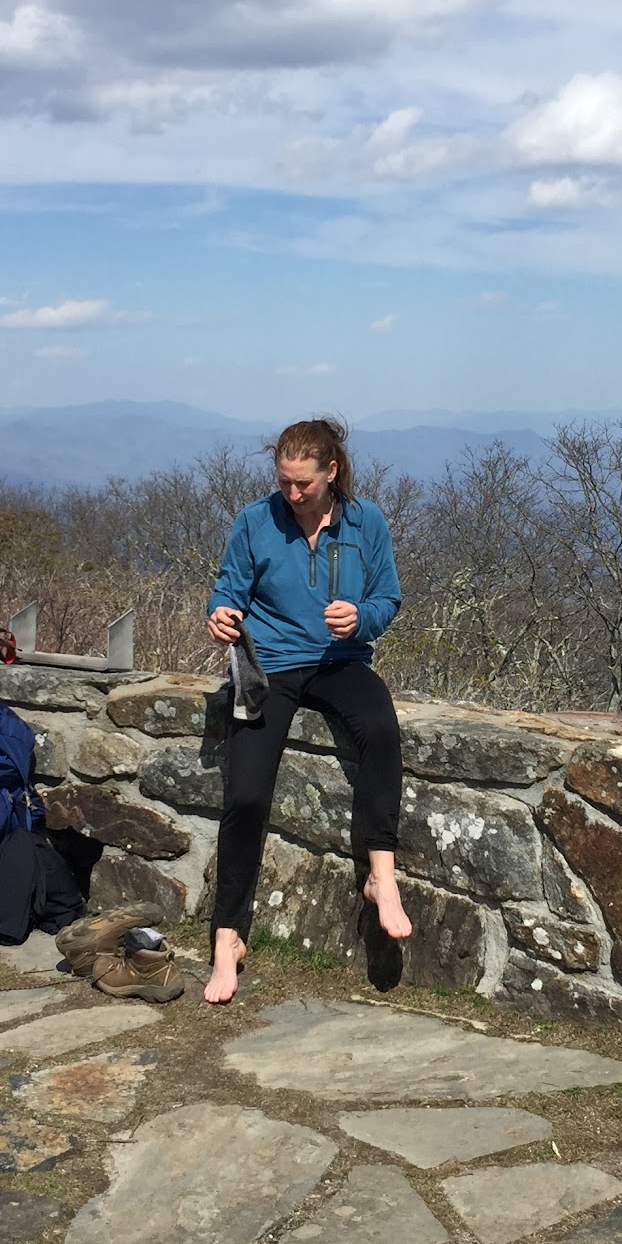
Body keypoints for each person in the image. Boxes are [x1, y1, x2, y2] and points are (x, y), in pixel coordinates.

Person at [202, 417, 410, 1003]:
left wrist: (360, 619)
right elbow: (229, 587)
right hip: (269, 664)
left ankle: (382, 878)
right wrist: (221, 613)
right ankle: (227, 939)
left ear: (331, 472)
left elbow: (387, 597)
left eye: (303, 483)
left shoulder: (366, 522)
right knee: (246, 793)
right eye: (284, 482)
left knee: (380, 730)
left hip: (341, 661)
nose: (292, 494)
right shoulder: (254, 520)